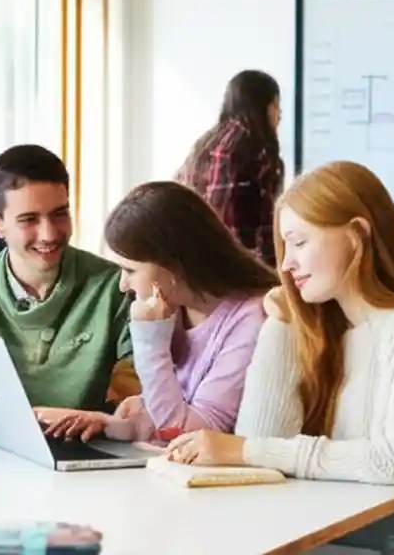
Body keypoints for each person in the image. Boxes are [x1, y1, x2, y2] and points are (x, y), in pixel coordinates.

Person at [166, 160, 394, 555]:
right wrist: (283, 326)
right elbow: (264, 449)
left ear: (357, 235)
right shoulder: (326, 328)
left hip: (393, 547)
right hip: (319, 538)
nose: (287, 264)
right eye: (284, 247)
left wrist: (241, 449)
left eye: (300, 242)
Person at [39, 181, 272, 444]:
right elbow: (168, 413)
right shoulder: (175, 309)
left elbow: (188, 434)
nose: (123, 285)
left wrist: (150, 343)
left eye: (130, 271)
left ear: (172, 263)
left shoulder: (252, 320)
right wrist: (112, 425)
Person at [0, 145, 133, 425]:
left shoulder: (115, 285)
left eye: (60, 214)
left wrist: (119, 409)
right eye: (29, 220)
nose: (49, 234)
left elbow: (135, 381)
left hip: (88, 448)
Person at [177, 70, 286, 267]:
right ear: (265, 107)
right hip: (238, 271)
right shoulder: (257, 148)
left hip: (195, 266)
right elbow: (265, 226)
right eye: (277, 106)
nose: (280, 116)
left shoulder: (204, 144)